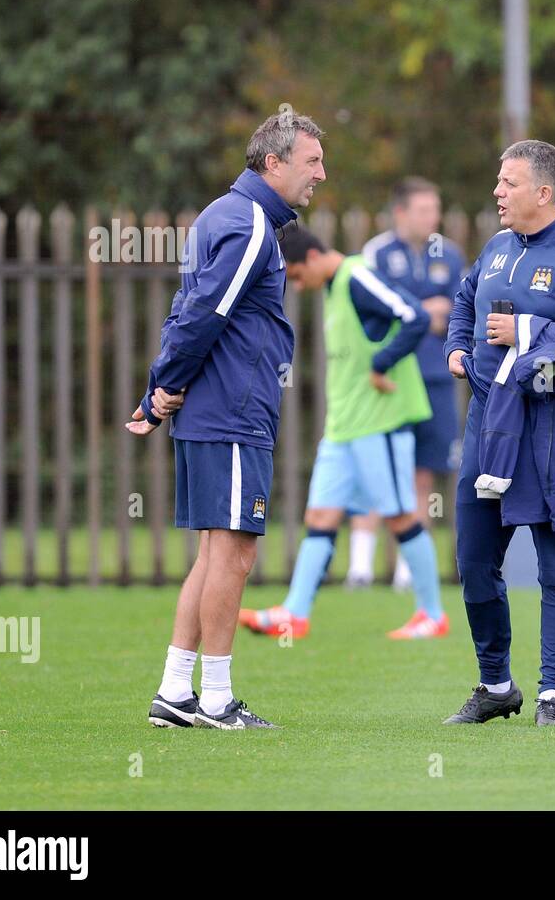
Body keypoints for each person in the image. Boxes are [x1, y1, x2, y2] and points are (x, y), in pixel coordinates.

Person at [133, 111, 325, 729]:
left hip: (213, 411)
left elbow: (183, 308)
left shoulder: (222, 214)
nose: (321, 174)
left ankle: (175, 692)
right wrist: (164, 384)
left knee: (214, 554)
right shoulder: (247, 223)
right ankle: (215, 700)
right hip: (232, 413)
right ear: (274, 163)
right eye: (312, 162)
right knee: (235, 554)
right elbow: (205, 314)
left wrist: (161, 389)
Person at [442, 140, 555, 727]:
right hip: (489, 426)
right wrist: (455, 349)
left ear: (543, 193)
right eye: (498, 181)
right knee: (473, 561)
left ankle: (552, 697)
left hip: (553, 430)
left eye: (509, 183)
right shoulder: (494, 249)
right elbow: (465, 304)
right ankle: (496, 685)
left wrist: (528, 328)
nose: (497, 191)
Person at [237, 225, 447, 640]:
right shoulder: (334, 287)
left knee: (400, 514)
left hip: (379, 422)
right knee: (319, 515)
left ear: (313, 258)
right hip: (343, 428)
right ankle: (294, 614)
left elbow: (414, 316)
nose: (296, 286)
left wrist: (381, 364)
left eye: (296, 275)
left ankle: (432, 614)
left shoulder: (357, 275)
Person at [345, 177, 466, 591]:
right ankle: (360, 567)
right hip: (390, 377)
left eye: (435, 209)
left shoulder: (450, 254)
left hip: (435, 378)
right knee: (374, 470)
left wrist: (416, 310)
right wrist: (420, 309)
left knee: (424, 475)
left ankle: (407, 569)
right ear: (400, 213)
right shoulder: (376, 253)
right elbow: (382, 309)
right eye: (423, 209)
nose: (432, 217)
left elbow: (454, 314)